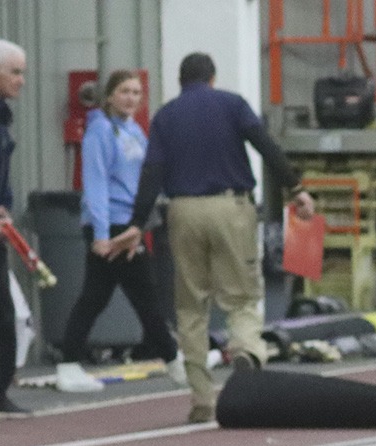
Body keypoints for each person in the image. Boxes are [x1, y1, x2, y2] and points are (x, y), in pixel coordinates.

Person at [111, 53, 315, 424]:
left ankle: (202, 398)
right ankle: (247, 352)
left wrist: (136, 222)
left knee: (190, 307)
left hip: (182, 210)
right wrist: (295, 187)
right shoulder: (232, 104)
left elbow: (152, 170)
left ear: (180, 80)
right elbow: (264, 145)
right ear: (213, 78)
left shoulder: (166, 116)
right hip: (230, 207)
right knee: (241, 296)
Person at [60, 70, 177, 392]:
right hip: (112, 224)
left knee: (99, 296)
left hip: (131, 223)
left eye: (137, 93)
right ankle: (174, 360)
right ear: (109, 96)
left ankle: (69, 362)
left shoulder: (135, 130)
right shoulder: (100, 131)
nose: (131, 98)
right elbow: (95, 183)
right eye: (124, 91)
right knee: (143, 296)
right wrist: (100, 234)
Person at [0, 39, 26, 416]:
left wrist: (5, 206)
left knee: (4, 313)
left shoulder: (4, 118)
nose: (22, 80)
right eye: (15, 72)